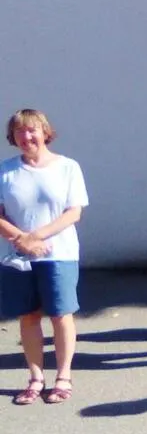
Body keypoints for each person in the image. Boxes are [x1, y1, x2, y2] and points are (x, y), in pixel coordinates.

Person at [0, 109, 88, 405]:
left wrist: (36, 237)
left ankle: (63, 377)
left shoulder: (67, 167)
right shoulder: (6, 170)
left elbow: (73, 212)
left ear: (45, 132)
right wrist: (21, 240)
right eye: (20, 132)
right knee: (28, 317)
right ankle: (36, 378)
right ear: (13, 138)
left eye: (32, 130)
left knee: (61, 315)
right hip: (18, 257)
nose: (27, 137)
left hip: (59, 255)